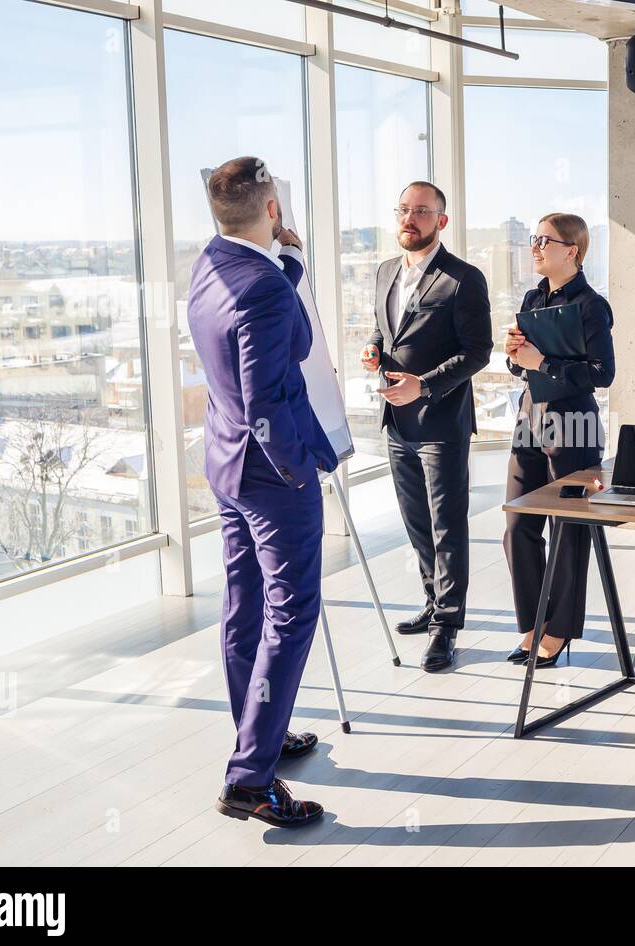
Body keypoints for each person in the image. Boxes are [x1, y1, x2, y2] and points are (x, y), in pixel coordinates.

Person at [188, 156, 337, 828]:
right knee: (290, 614)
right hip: (272, 477)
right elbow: (268, 399)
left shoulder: (210, 266)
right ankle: (250, 779)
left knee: (246, 605)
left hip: (226, 466)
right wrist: (295, 468)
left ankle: (259, 737)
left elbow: (285, 346)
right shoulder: (268, 290)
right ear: (273, 212)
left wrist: (290, 268)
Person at [361, 182, 493, 673]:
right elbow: (384, 328)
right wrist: (375, 348)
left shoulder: (463, 278)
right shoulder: (384, 271)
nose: (409, 219)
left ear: (442, 221)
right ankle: (433, 603)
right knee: (417, 523)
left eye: (421, 211)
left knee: (447, 526)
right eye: (403, 210)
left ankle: (447, 627)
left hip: (441, 422)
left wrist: (426, 385)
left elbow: (478, 351)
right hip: (397, 421)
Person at [502, 214, 615, 667]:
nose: (535, 247)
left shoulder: (592, 305)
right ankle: (532, 624)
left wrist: (542, 361)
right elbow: (519, 367)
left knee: (568, 530)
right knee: (517, 526)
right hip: (530, 419)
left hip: (574, 426)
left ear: (572, 249)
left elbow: (602, 374)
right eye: (533, 240)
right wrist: (516, 357)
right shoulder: (532, 297)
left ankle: (560, 631)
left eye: (543, 240)